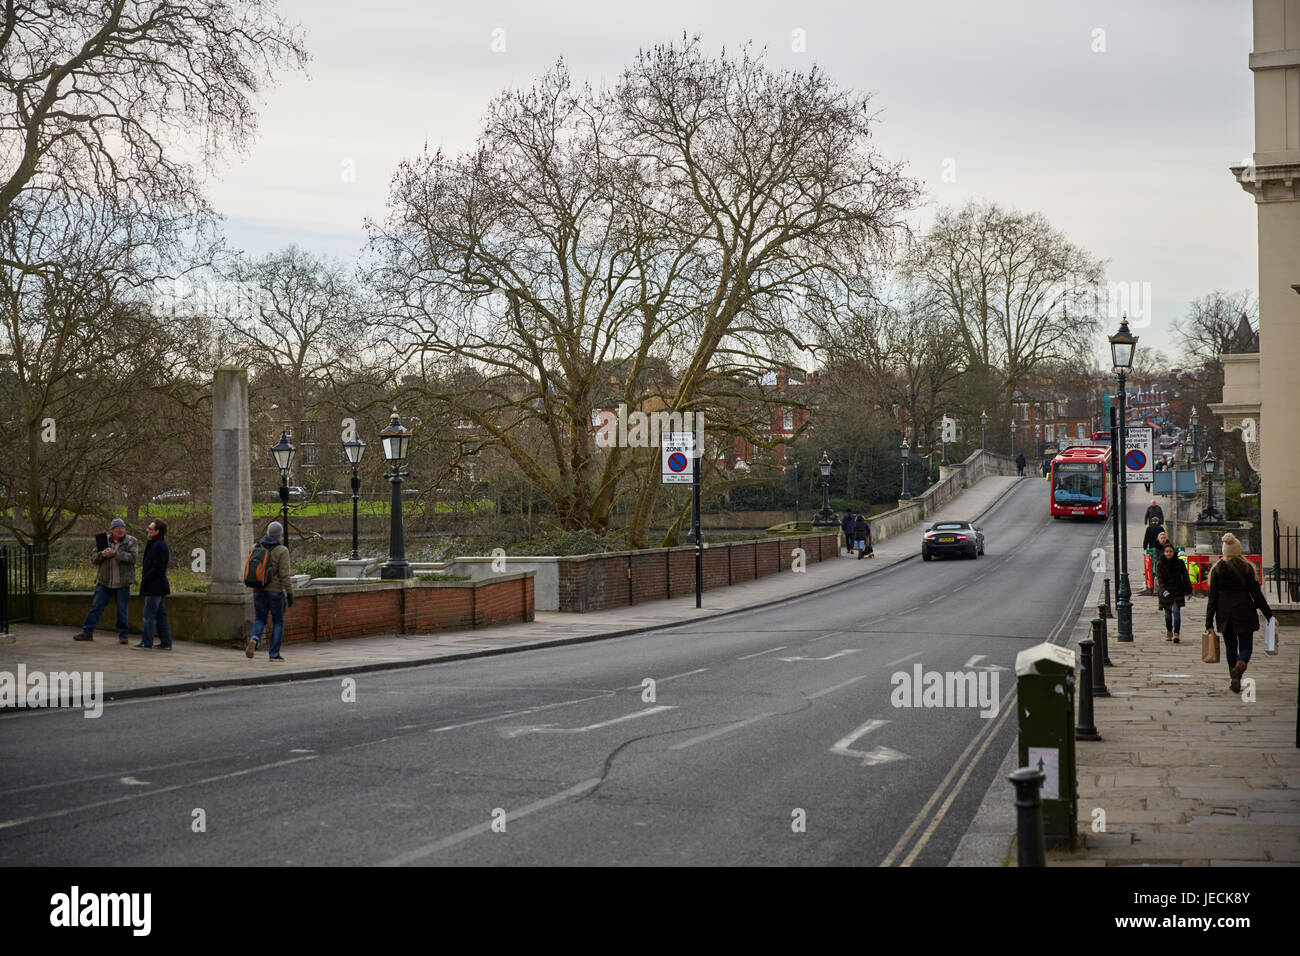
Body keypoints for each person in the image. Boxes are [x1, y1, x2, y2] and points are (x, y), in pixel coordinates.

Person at [1205, 533, 1273, 694]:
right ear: (1238, 550)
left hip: (1224, 612)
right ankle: (1239, 667)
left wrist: (1208, 622)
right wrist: (1268, 614)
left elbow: (1212, 598)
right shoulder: (1247, 567)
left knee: (1230, 646)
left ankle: (1234, 677)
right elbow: (1256, 594)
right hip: (1244, 610)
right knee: (1246, 647)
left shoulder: (1216, 569)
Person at [74, 518, 138, 643]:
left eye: (122, 528)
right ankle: (87, 632)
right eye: (117, 528)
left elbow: (133, 558)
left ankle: (123, 636)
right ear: (112, 530)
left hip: (122, 583)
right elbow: (93, 559)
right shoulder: (102, 540)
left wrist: (116, 554)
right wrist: (102, 555)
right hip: (104, 582)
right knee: (96, 607)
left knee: (122, 610)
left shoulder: (131, 541)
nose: (120, 530)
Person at [246, 520, 293, 662]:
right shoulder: (282, 551)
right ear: (280, 535)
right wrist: (290, 593)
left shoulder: (255, 547)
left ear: (267, 533)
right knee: (278, 621)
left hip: (258, 589)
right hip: (275, 591)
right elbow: (284, 575)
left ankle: (254, 638)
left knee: (260, 618)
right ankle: (274, 655)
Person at [135, 519, 172, 650]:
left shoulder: (159, 545)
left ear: (157, 531)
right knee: (161, 616)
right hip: (158, 586)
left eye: (150, 529)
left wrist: (146, 578)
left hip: (154, 586)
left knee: (148, 616)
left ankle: (147, 642)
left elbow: (158, 567)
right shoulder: (156, 543)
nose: (147, 530)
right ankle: (166, 643)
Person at [1155, 543, 1191, 644]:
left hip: (1177, 590)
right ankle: (1169, 631)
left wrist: (1189, 591)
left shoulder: (1179, 563)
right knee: (1167, 615)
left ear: (1173, 552)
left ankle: (1176, 633)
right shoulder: (1160, 563)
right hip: (1166, 592)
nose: (1168, 553)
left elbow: (1185, 576)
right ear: (1164, 552)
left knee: (1176, 612)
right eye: (1166, 551)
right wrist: (1163, 590)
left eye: (1170, 551)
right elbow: (1160, 579)